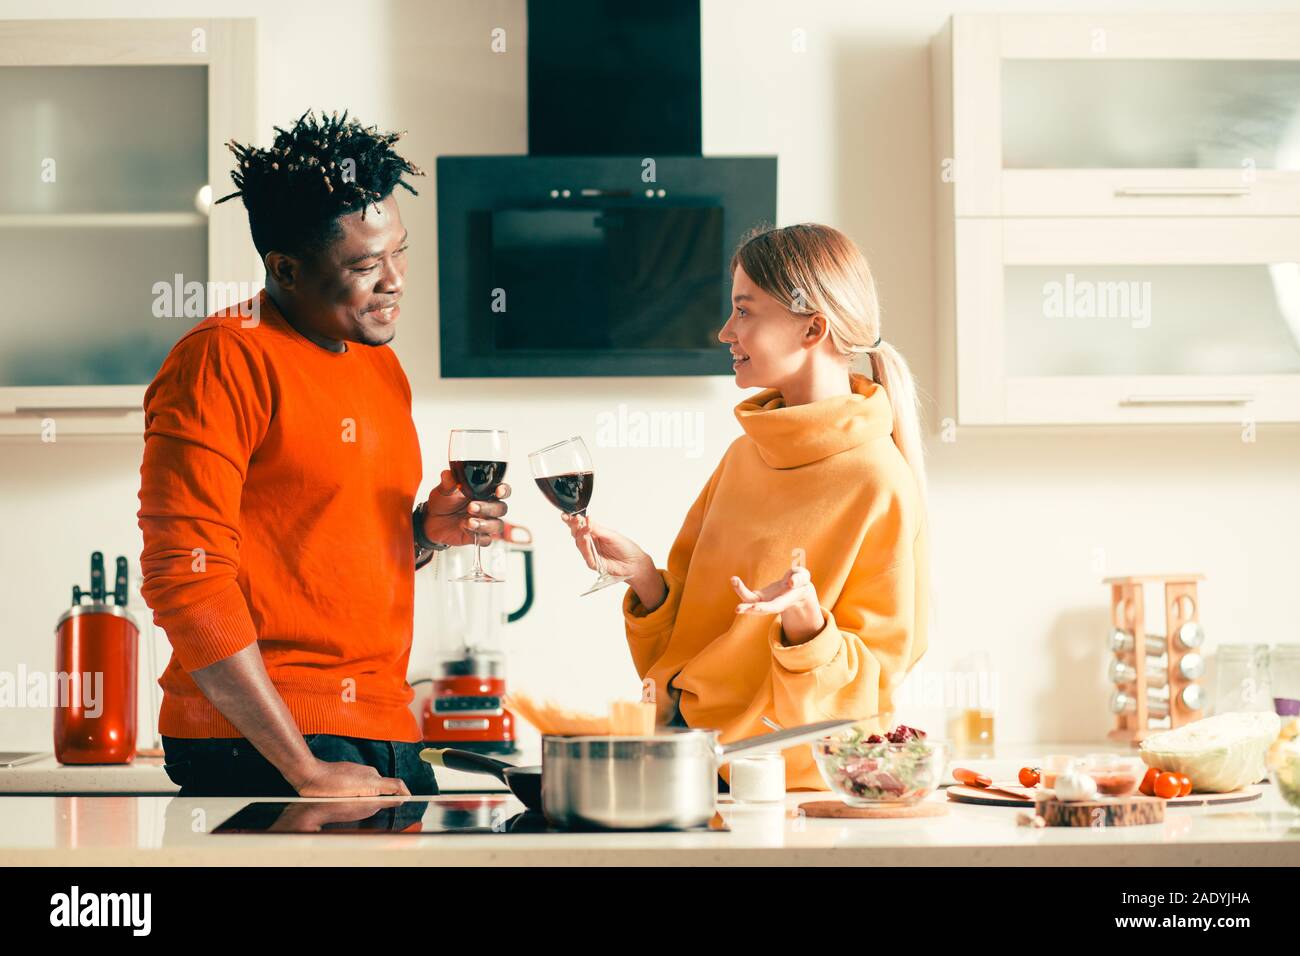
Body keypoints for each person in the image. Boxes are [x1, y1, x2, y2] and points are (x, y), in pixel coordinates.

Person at [138, 110, 510, 798]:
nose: (395, 279)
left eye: (399, 251)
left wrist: (425, 533)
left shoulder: (378, 367)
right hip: (265, 742)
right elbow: (182, 576)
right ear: (286, 267)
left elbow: (322, 551)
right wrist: (301, 767)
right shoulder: (224, 358)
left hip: (385, 722)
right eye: (367, 265)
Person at [563, 223, 930, 790]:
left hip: (785, 789)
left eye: (745, 311)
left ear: (813, 328)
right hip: (691, 767)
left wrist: (805, 621)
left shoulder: (878, 479)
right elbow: (688, 647)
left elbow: (875, 683)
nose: (725, 331)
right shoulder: (744, 456)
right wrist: (643, 577)